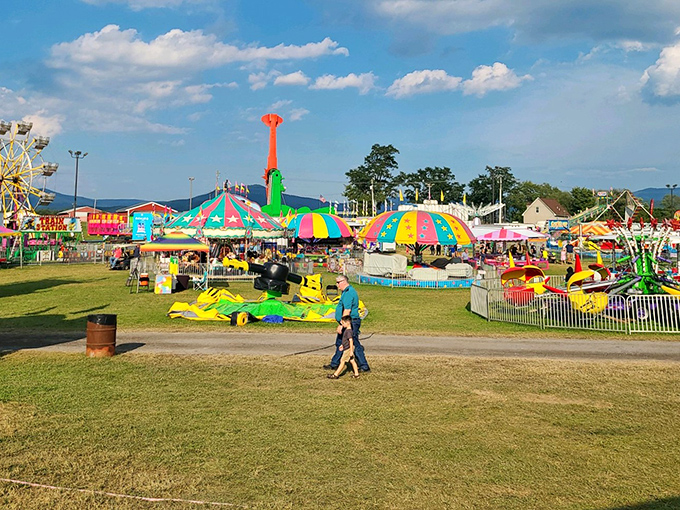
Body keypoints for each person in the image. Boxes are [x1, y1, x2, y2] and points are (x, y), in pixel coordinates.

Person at [324, 275, 370, 372]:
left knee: (354, 343)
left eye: (338, 282)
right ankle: (335, 363)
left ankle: (364, 366)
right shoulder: (345, 292)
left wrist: (342, 325)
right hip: (347, 321)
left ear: (344, 281)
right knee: (340, 342)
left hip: (351, 322)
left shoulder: (349, 293)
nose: (337, 285)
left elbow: (347, 310)